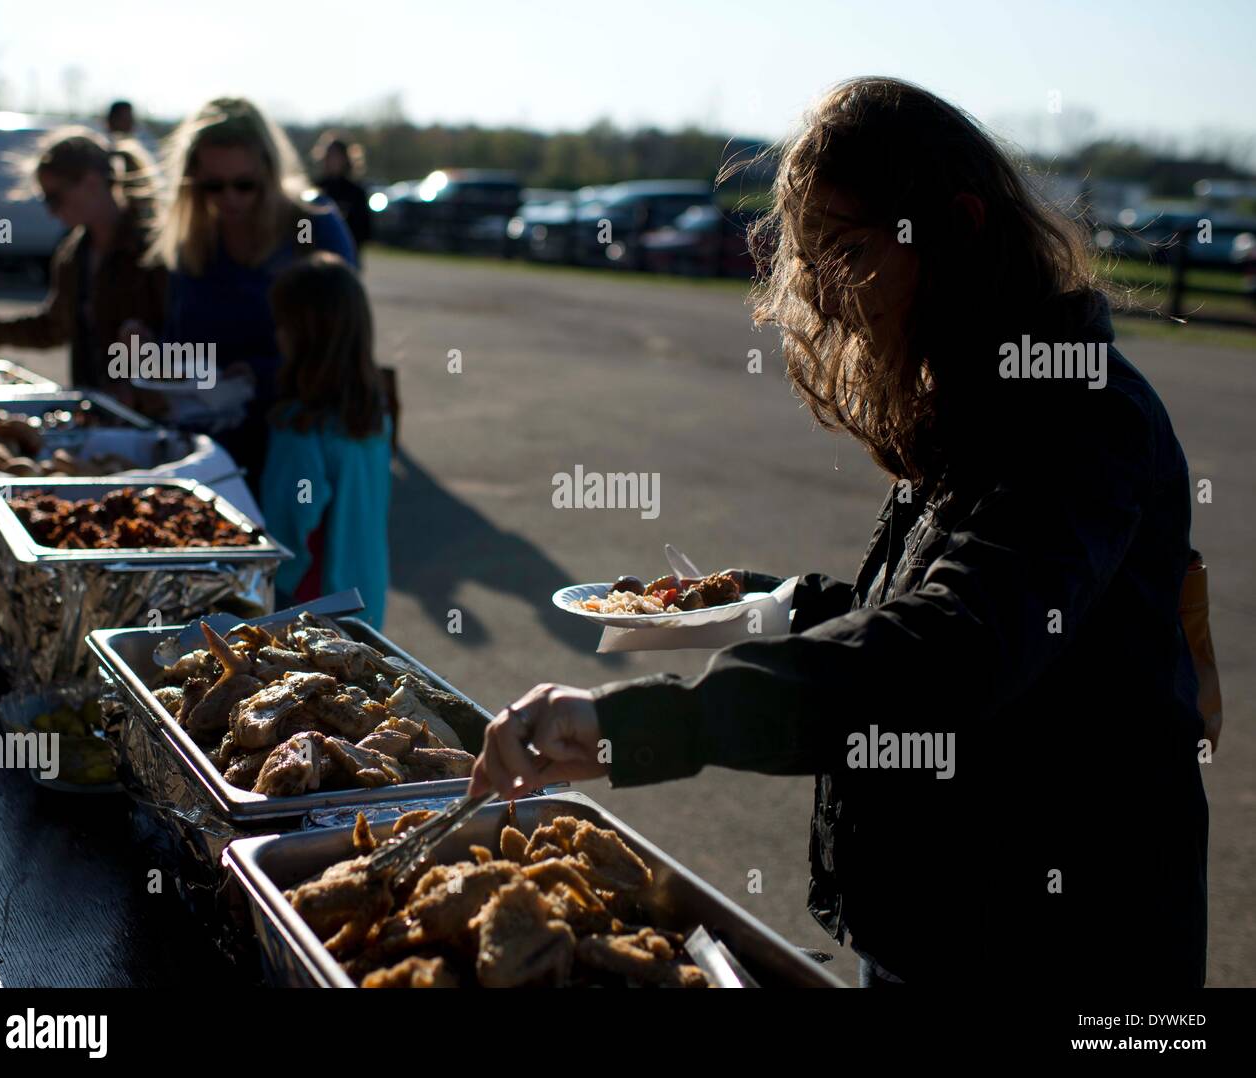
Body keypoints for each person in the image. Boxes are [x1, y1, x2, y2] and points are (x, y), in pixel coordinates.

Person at [467, 78, 1209, 988]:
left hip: (1057, 945)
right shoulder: (980, 387)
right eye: (813, 265)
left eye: (850, 253)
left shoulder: (1080, 413)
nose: (830, 298)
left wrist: (654, 722)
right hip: (940, 922)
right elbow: (908, 603)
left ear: (960, 226)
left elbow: (956, 643)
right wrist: (764, 607)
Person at [150, 97, 356, 488]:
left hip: (289, 453)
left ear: (269, 171)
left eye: (244, 185)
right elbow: (184, 341)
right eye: (213, 186)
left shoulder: (311, 227)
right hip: (204, 454)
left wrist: (259, 374)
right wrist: (154, 358)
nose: (229, 198)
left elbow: (341, 349)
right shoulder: (194, 238)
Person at [0, 128, 165, 390]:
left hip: (152, 414)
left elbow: (192, 344)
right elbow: (53, 327)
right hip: (96, 409)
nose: (51, 212)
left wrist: (149, 356)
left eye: (55, 198)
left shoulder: (154, 251)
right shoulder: (73, 254)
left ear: (91, 183)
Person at [260, 252, 390, 625]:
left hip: (309, 606)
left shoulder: (299, 427)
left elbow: (288, 528)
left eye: (282, 324)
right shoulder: (373, 416)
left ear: (305, 336)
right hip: (365, 599)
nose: (275, 334)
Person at [312, 130, 371, 254]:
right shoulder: (315, 189)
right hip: (317, 256)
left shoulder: (355, 192)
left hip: (345, 255)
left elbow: (365, 229)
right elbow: (303, 222)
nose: (333, 160)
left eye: (337, 156)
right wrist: (305, 246)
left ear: (346, 159)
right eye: (330, 155)